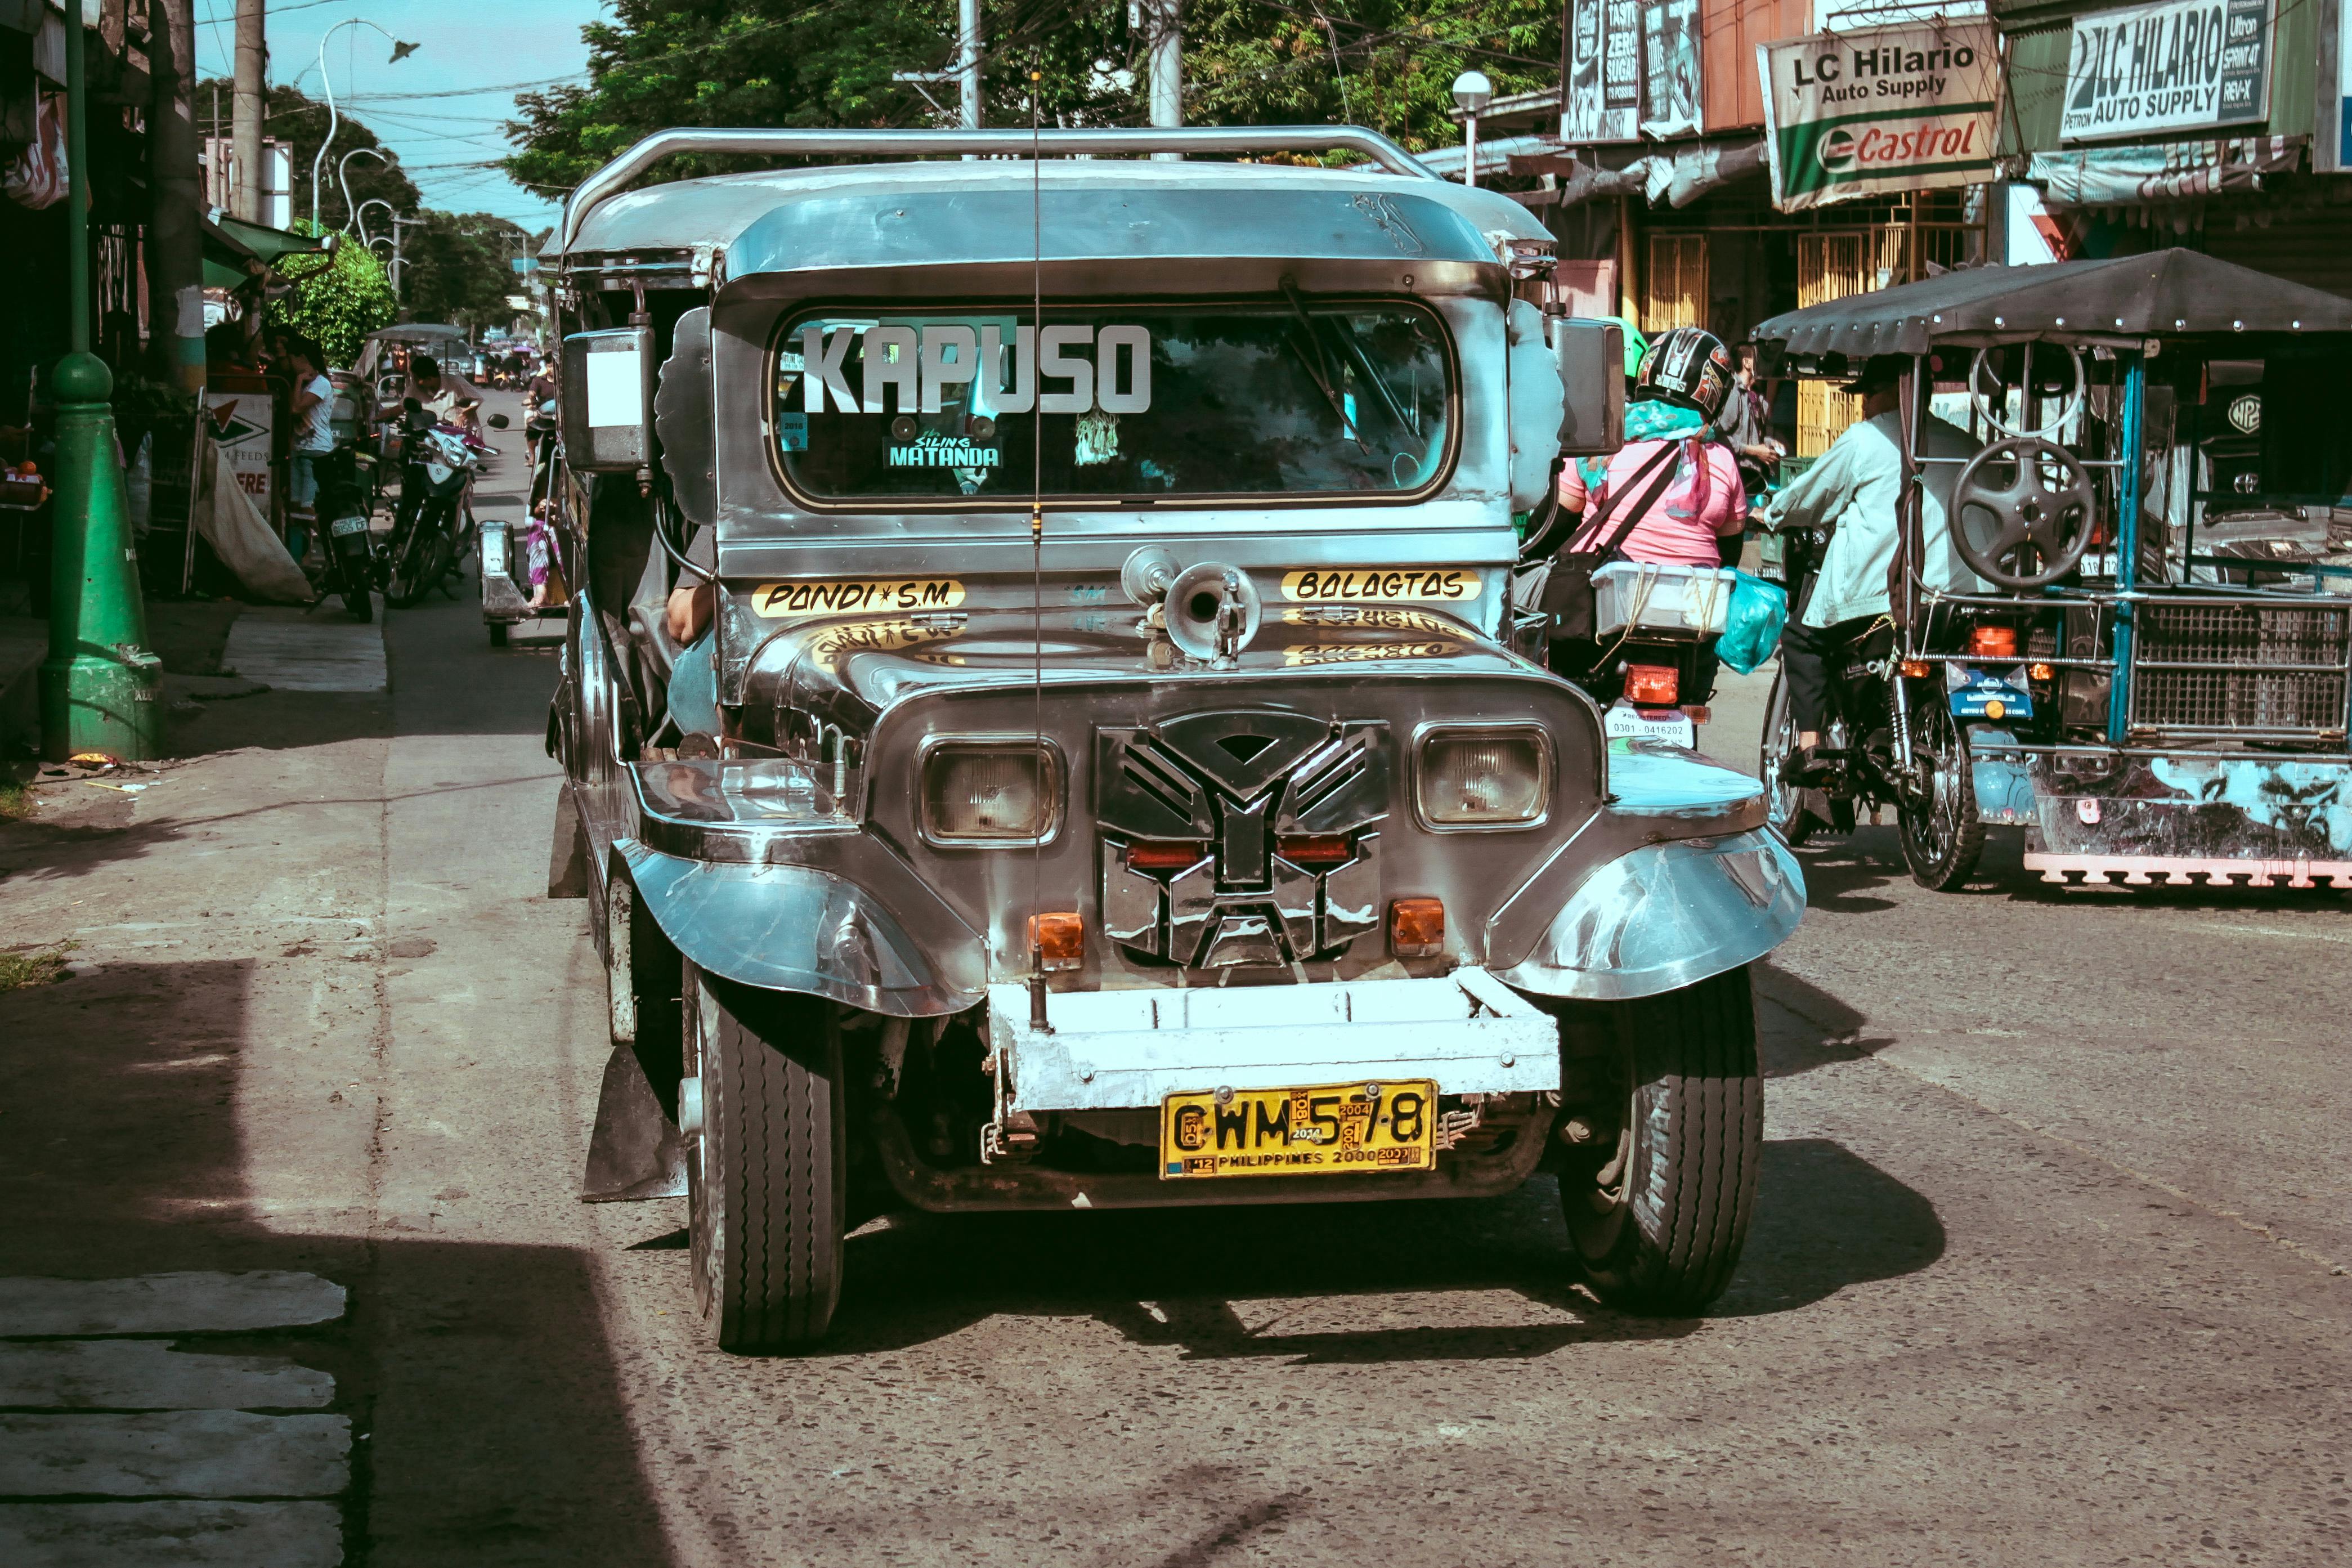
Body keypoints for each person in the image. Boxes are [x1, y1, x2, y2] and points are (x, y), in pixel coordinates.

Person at [1762, 355, 1986, 774]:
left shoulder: (1865, 440)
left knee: (1800, 640)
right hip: (1960, 603)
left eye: (1867, 395)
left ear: (1891, 394)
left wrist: (1771, 514)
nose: (1863, 405)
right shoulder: (1967, 447)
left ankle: (1810, 748)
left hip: (1886, 604)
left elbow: (1810, 495)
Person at [1556, 325, 1745, 568]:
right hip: (1696, 601)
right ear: (1715, 393)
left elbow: (1559, 524)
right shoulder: (1723, 460)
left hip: (1597, 595)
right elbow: (1730, 556)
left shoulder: (1601, 441)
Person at [284, 339, 335, 570]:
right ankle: (302, 560)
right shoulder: (306, 384)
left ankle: (333, 541)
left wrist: (297, 382)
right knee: (296, 510)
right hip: (299, 450)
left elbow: (296, 408)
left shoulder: (320, 384)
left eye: (293, 359)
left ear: (303, 359)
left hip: (316, 450)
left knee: (307, 506)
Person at [1709, 346, 1782, 500]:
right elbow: (1718, 437)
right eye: (1760, 360)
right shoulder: (1734, 394)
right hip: (1735, 478)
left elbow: (1752, 435)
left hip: (1754, 479)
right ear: (1747, 362)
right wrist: (1753, 451)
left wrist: (1770, 443)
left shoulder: (1756, 397)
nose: (1765, 365)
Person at [404, 355, 482, 428]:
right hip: (438, 433)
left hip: (463, 432)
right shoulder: (418, 389)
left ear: (429, 379)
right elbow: (402, 406)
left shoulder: (456, 382)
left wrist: (463, 416)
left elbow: (478, 399)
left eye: (417, 380)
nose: (415, 383)